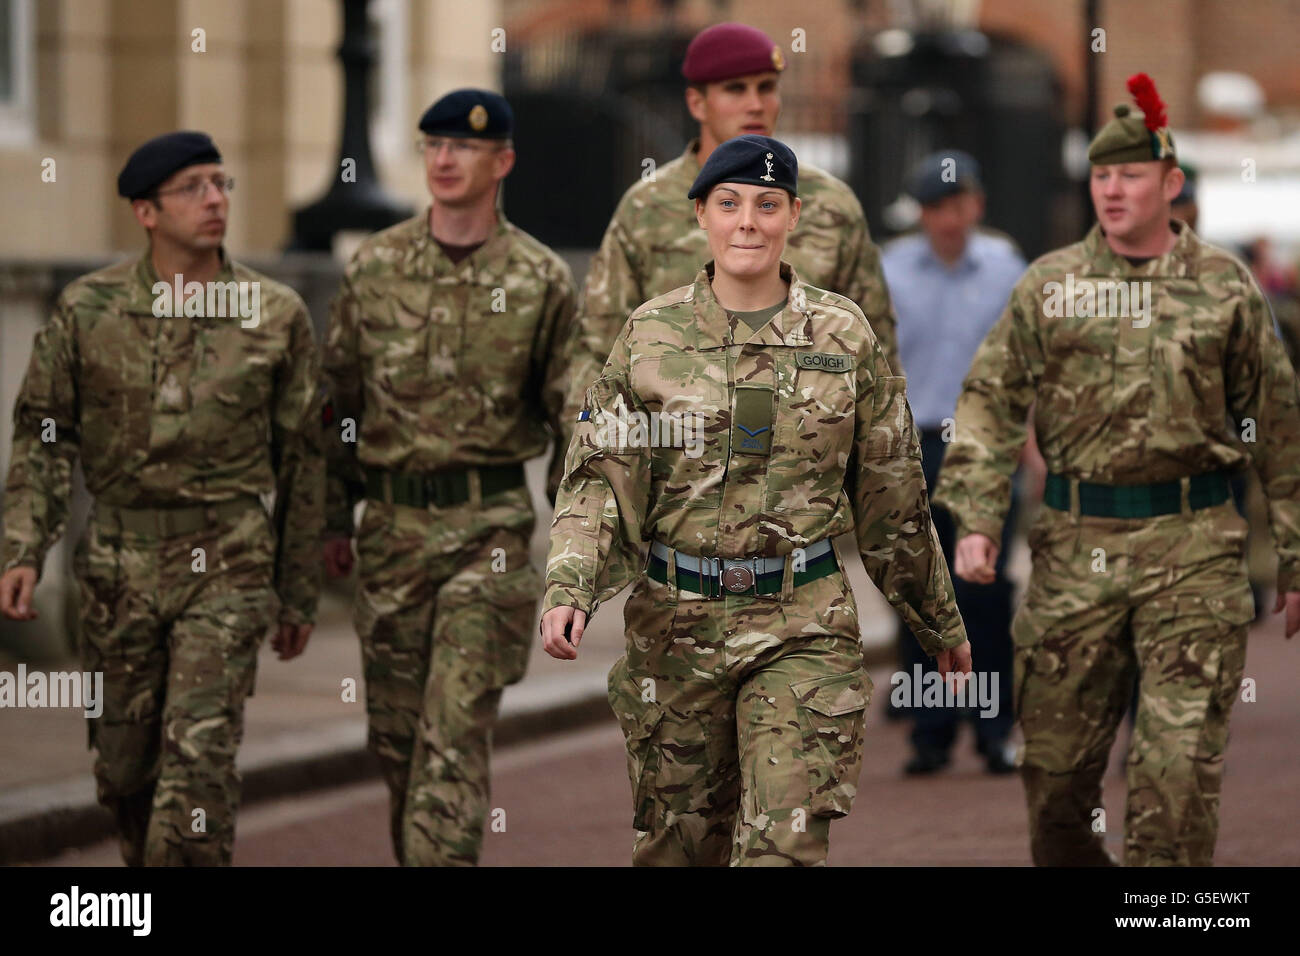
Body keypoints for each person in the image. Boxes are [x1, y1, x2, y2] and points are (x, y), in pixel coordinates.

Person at [539, 135, 970, 867]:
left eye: (767, 205)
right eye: (730, 204)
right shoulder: (648, 337)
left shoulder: (845, 336)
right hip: (676, 630)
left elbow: (893, 496)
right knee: (680, 850)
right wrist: (569, 583)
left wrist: (938, 623)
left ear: (793, 216)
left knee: (785, 847)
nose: (748, 222)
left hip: (802, 620)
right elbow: (598, 479)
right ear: (701, 215)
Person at [934, 74, 1300, 866]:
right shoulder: (1051, 285)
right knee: (1058, 780)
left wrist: (1295, 557)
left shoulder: (1223, 288)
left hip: (1193, 543)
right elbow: (991, 401)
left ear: (1171, 184)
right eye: (1101, 175)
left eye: (1130, 174)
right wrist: (976, 520)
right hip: (1075, 545)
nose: (1112, 189)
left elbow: (1278, 426)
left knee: (1174, 775)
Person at [0, 131, 324, 866]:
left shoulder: (272, 314)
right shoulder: (90, 310)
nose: (215, 200)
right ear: (146, 211)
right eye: (193, 188)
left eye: (221, 183)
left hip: (228, 563)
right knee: (125, 776)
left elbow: (305, 463)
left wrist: (297, 591)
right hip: (117, 567)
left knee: (198, 764)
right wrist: (23, 547)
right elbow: (44, 436)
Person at [321, 90, 577, 866]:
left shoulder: (540, 279)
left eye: (460, 148)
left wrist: (575, 539)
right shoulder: (375, 267)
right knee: (400, 745)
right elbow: (338, 404)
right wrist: (333, 517)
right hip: (392, 538)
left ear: (501, 162)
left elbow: (574, 413)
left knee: (454, 735)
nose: (441, 159)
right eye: (431, 145)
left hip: (488, 536)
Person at [566, 21, 900, 442]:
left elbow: (877, 352)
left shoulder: (832, 205)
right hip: (680, 472)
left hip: (804, 467)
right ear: (697, 103)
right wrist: (584, 468)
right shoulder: (645, 207)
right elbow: (597, 351)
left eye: (767, 87)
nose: (756, 104)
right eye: (736, 89)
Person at [881, 150, 1028, 775]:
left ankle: (995, 729)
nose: (948, 218)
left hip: (986, 448)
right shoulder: (889, 271)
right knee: (921, 596)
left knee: (985, 593)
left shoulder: (1004, 267)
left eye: (958, 203)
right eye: (935, 207)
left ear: (978, 204)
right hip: (912, 448)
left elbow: (1030, 359)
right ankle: (930, 730)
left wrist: (1036, 440)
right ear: (921, 212)